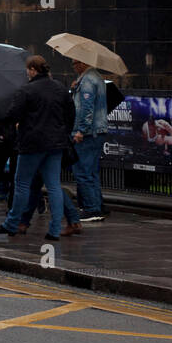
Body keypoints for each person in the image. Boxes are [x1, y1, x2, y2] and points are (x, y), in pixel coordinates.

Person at [0, 56, 75, 241]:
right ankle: (55, 230)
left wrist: (9, 123)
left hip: (31, 144)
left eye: (27, 70)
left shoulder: (26, 90)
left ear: (32, 70)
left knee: (22, 184)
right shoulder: (60, 89)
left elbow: (13, 115)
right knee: (54, 186)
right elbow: (71, 114)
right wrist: (63, 133)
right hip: (55, 144)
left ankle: (12, 223)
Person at [70, 58, 110, 221]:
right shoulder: (96, 77)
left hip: (88, 133)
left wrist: (81, 130)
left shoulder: (87, 79)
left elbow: (86, 108)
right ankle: (97, 205)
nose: (73, 67)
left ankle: (91, 209)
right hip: (97, 131)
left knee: (83, 171)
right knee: (91, 171)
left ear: (82, 63)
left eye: (74, 63)